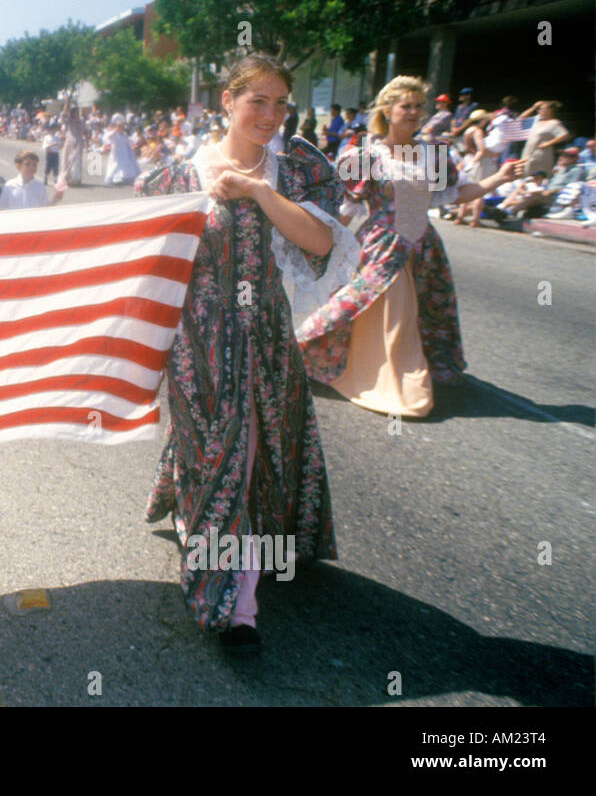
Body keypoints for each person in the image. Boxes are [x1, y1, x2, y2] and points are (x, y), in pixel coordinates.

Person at [137, 54, 358, 653]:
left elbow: (320, 243)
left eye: (280, 102)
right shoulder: (178, 172)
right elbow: (144, 257)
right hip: (196, 338)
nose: (269, 114)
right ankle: (205, 536)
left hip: (262, 335)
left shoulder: (293, 169)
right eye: (256, 100)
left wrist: (259, 191)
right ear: (228, 102)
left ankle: (237, 605)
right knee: (212, 450)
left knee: (247, 453)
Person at [296, 76, 523, 418]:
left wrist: (500, 178)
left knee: (420, 312)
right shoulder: (365, 155)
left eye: (419, 106)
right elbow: (345, 209)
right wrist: (319, 246)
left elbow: (456, 194)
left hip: (426, 247)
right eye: (406, 106)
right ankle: (392, 380)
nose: (414, 112)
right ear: (387, 111)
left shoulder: (434, 154)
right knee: (392, 317)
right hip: (385, 247)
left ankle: (386, 368)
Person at [452, 109, 492, 226]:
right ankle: (475, 219)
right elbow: (481, 149)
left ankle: (460, 216)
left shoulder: (467, 131)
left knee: (466, 188)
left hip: (467, 158)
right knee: (479, 189)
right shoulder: (477, 131)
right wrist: (476, 161)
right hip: (476, 160)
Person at [517, 100, 572, 177]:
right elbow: (521, 118)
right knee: (525, 172)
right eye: (539, 109)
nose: (539, 110)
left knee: (538, 175)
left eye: (542, 108)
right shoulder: (537, 120)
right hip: (528, 152)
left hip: (541, 154)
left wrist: (548, 143)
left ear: (550, 110)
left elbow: (565, 135)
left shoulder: (554, 123)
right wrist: (533, 107)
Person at [101, 113, 140, 185]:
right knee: (116, 164)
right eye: (119, 126)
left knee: (125, 164)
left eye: (121, 126)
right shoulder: (113, 134)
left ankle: (125, 177)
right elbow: (107, 138)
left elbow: (128, 143)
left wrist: (131, 151)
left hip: (124, 152)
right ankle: (114, 177)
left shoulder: (124, 135)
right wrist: (114, 130)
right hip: (116, 152)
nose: (120, 128)